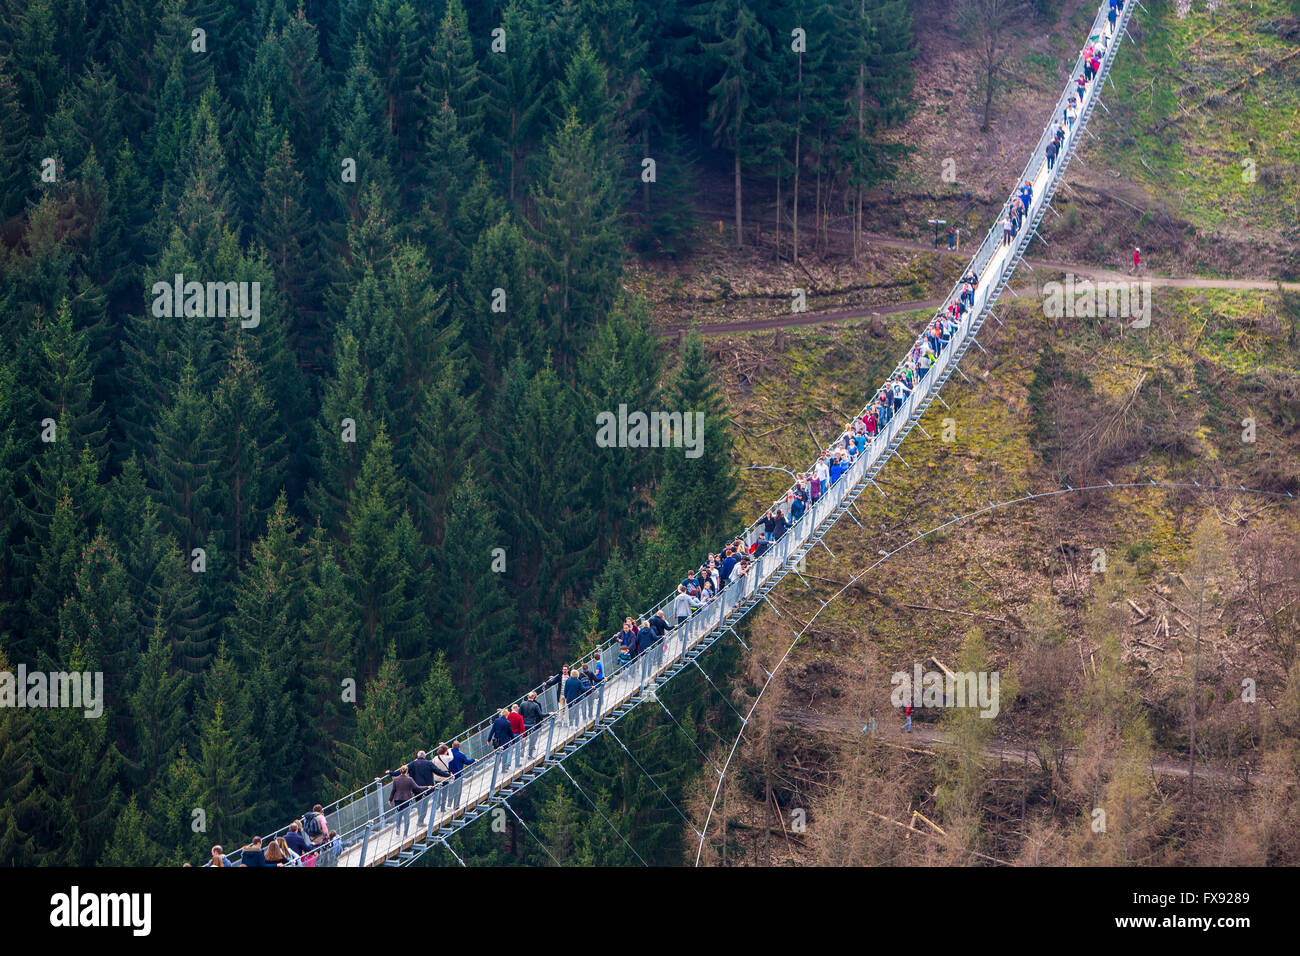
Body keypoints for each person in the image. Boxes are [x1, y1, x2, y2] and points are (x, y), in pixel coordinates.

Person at [409, 750, 450, 827]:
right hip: (427, 788)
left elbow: (402, 771)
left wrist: (392, 773)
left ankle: (420, 819)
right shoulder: (428, 763)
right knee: (424, 804)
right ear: (424, 756)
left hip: (416, 788)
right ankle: (420, 820)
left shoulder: (413, 764)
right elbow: (438, 771)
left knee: (419, 804)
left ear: (418, 756)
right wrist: (448, 775)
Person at [388, 765, 425, 838]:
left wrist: (390, 800)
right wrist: (427, 787)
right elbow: (417, 788)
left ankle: (398, 828)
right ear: (407, 771)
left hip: (397, 799)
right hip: (407, 800)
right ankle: (405, 834)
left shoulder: (395, 779)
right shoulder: (410, 779)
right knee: (406, 817)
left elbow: (393, 790)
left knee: (398, 815)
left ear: (400, 771)